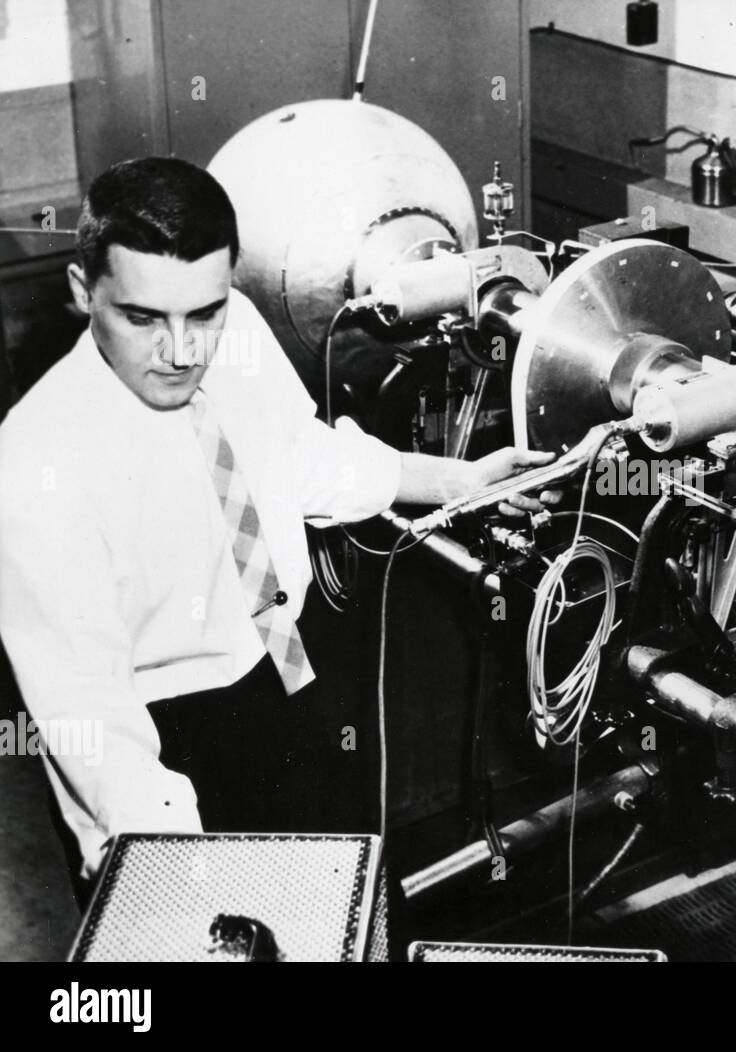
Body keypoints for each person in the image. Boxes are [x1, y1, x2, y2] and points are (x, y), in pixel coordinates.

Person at [0, 157, 555, 905]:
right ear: (81, 293)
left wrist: (455, 480)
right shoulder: (36, 462)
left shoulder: (239, 327)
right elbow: (89, 719)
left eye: (204, 313)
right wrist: (178, 882)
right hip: (159, 732)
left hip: (284, 674)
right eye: (142, 318)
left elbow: (299, 456)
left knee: (348, 915)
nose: (183, 351)